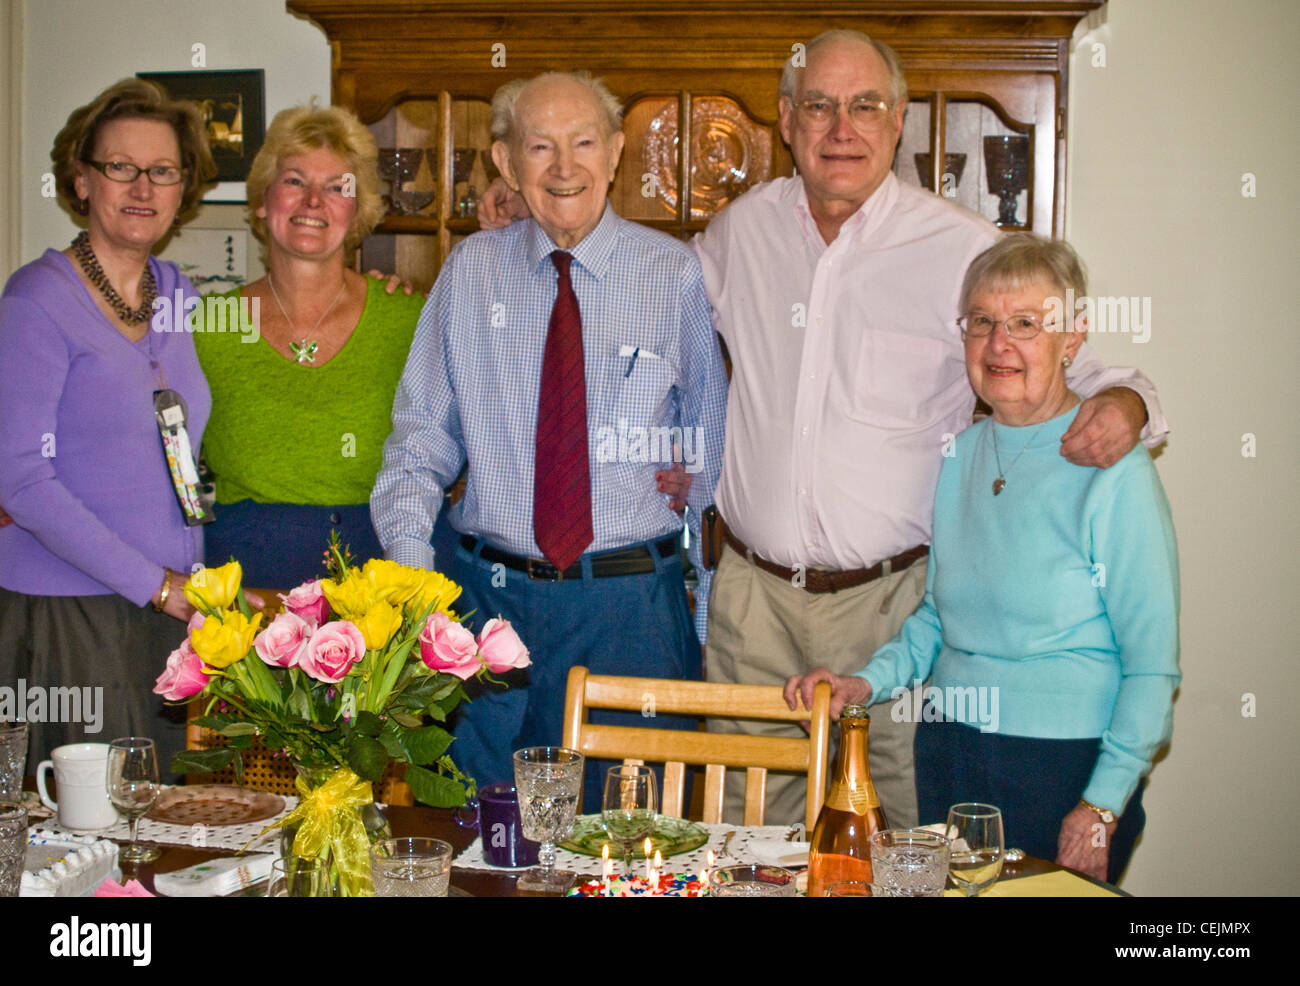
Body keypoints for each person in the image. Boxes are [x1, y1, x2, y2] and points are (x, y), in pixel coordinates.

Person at [478, 30, 1167, 829]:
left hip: (898, 608)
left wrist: (1131, 407)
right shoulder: (739, 233)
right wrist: (533, 218)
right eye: (819, 106)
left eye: (865, 105)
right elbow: (631, 287)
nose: (843, 127)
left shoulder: (963, 248)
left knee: (902, 834)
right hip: (755, 607)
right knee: (743, 839)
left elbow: (1082, 359)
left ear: (899, 117)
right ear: (785, 119)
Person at [371, 71, 728, 804]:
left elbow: (709, 453)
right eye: (540, 146)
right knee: (485, 843)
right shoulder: (469, 275)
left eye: (584, 142)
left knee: (630, 849)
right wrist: (417, 600)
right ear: (505, 163)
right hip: (487, 610)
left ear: (618, 151)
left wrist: (701, 622)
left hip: (632, 613)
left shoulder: (675, 275)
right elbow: (415, 450)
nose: (565, 167)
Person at [786, 234, 1179, 884]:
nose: (1000, 345)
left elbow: (1153, 668)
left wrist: (1103, 804)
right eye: (983, 323)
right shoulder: (962, 454)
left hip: (1064, 768)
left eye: (1027, 324)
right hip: (949, 750)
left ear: (1073, 340)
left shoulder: (1116, 470)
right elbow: (938, 619)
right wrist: (868, 682)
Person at [0, 79, 216, 771]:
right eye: (120, 167)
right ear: (81, 178)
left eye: (163, 171)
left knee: (162, 822)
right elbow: (20, 480)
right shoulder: (37, 301)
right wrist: (154, 584)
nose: (142, 187)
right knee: (91, 845)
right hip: (70, 611)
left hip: (169, 611)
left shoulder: (176, 290)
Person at [194, 104, 426, 588]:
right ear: (262, 200)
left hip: (383, 575)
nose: (314, 201)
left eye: (337, 187)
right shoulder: (207, 325)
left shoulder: (408, 318)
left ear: (358, 210)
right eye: (295, 181)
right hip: (248, 582)